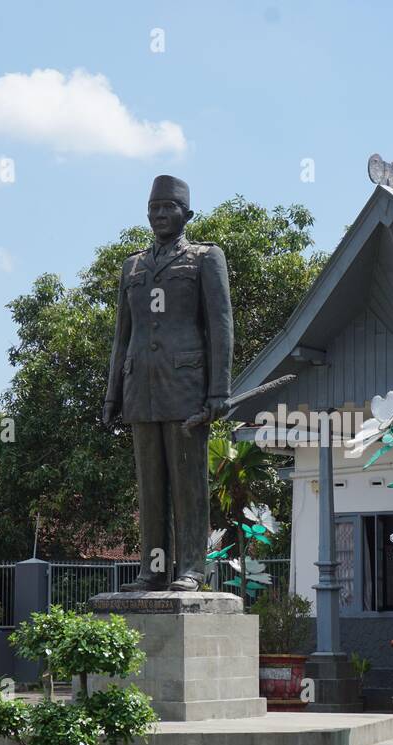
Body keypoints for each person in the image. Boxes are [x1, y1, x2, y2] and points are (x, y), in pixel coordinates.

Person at [103, 175, 234, 591]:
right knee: (151, 488)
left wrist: (219, 390)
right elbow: (122, 336)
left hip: (186, 387)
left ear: (186, 214)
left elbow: (221, 326)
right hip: (141, 388)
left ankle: (192, 567)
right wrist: (112, 395)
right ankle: (153, 570)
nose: (160, 214)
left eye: (169, 207)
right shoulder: (133, 266)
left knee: (188, 484)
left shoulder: (204, 258)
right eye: (154, 207)